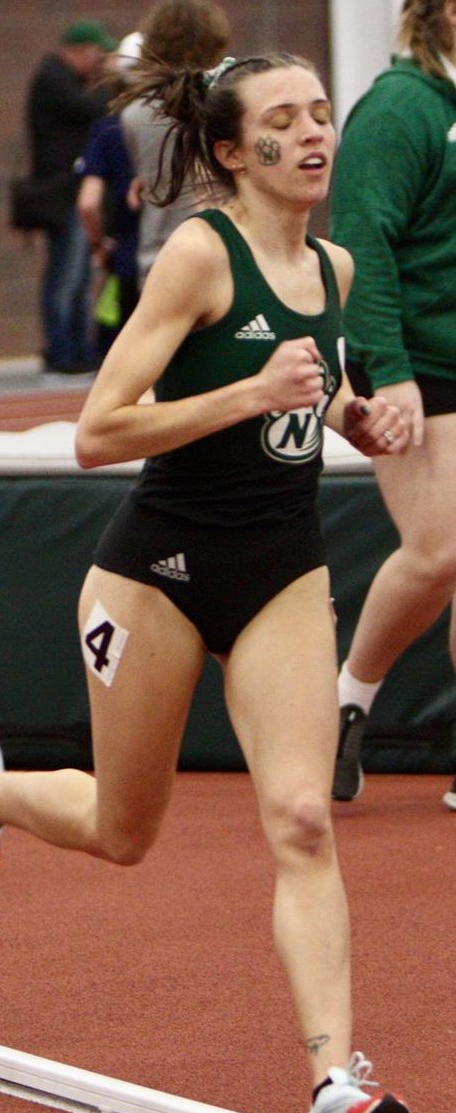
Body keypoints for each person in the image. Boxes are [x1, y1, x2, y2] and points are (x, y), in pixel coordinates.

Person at [0, 53, 415, 1113]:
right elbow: (99, 430)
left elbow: (312, 384)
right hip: (156, 573)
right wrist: (249, 390)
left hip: (280, 573)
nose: (312, 134)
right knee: (120, 827)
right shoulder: (201, 256)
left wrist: (354, 417)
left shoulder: (333, 270)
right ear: (234, 153)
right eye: (282, 121)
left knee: (298, 817)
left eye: (319, 114)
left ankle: (331, 1083)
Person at [328, 0, 456, 806]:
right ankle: (346, 702)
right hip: (416, 363)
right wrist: (390, 370)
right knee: (439, 550)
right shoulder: (400, 108)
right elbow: (361, 242)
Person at [23, 19, 118, 376]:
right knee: (66, 275)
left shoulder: (61, 81)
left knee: (76, 276)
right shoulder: (53, 79)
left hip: (67, 194)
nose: (99, 62)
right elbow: (90, 109)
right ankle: (62, 349)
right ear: (80, 50)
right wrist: (111, 82)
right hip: (62, 196)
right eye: (97, 54)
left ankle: (76, 348)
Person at [118, 0, 232, 286]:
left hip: (157, 257)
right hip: (217, 252)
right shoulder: (222, 108)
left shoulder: (134, 114)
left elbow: (151, 174)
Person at [76, 53, 141, 356]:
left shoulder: (108, 129)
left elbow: (88, 203)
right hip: (189, 258)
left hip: (131, 258)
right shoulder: (184, 125)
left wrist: (98, 244)